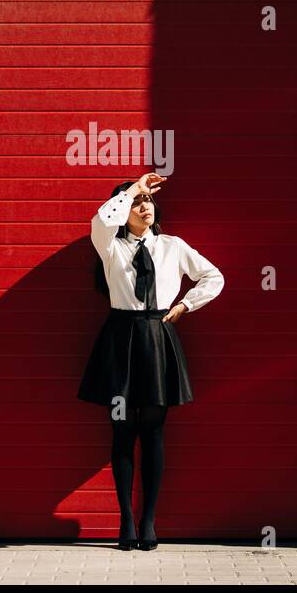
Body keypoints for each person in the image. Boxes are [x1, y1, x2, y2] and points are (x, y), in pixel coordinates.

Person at [77, 171, 224, 550]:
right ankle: (126, 520)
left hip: (158, 337)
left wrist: (187, 305)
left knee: (154, 432)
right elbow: (100, 219)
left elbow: (213, 276)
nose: (144, 206)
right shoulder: (109, 246)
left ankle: (149, 522)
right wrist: (133, 188)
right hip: (121, 339)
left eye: (148, 201)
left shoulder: (172, 246)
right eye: (137, 202)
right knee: (122, 431)